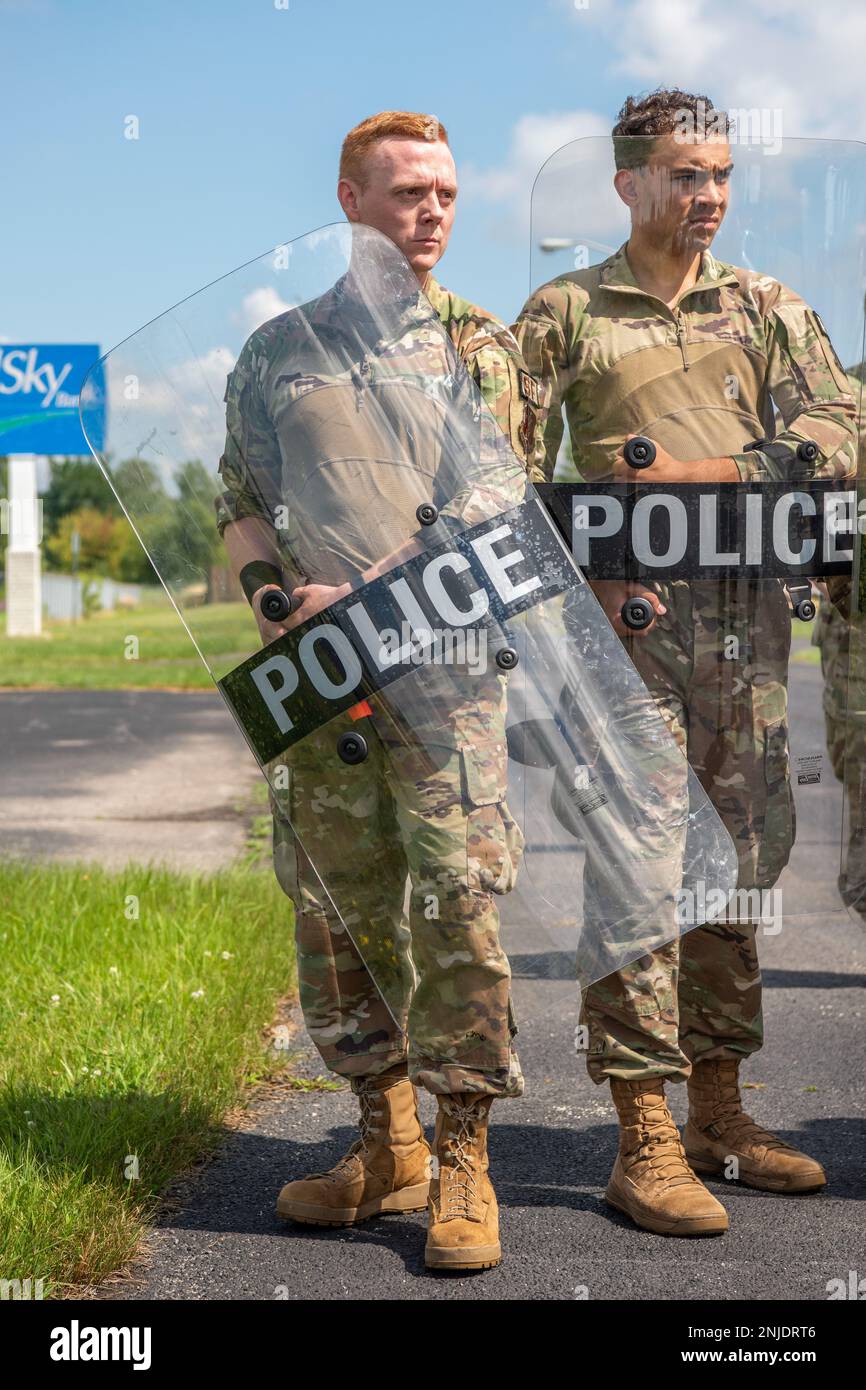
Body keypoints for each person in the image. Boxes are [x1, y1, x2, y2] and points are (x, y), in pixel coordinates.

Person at [515, 88, 858, 1236]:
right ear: (626, 184)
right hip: (623, 646)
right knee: (635, 875)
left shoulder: (764, 307)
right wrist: (587, 564)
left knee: (733, 874)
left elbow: (838, 437)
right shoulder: (566, 311)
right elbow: (498, 475)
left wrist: (700, 480)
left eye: (718, 173)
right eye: (682, 174)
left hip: (747, 648)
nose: (705, 193)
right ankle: (640, 1134)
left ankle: (719, 1107)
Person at [214, 111, 540, 1270]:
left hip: (446, 674)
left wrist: (370, 586)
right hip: (324, 686)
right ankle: (383, 1137)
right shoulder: (277, 350)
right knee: (337, 911)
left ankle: (463, 1157)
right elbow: (237, 504)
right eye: (407, 192)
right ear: (349, 199)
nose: (432, 211)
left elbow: (501, 506)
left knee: (457, 903)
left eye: (446, 192)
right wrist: (275, 603)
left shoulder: (479, 343)